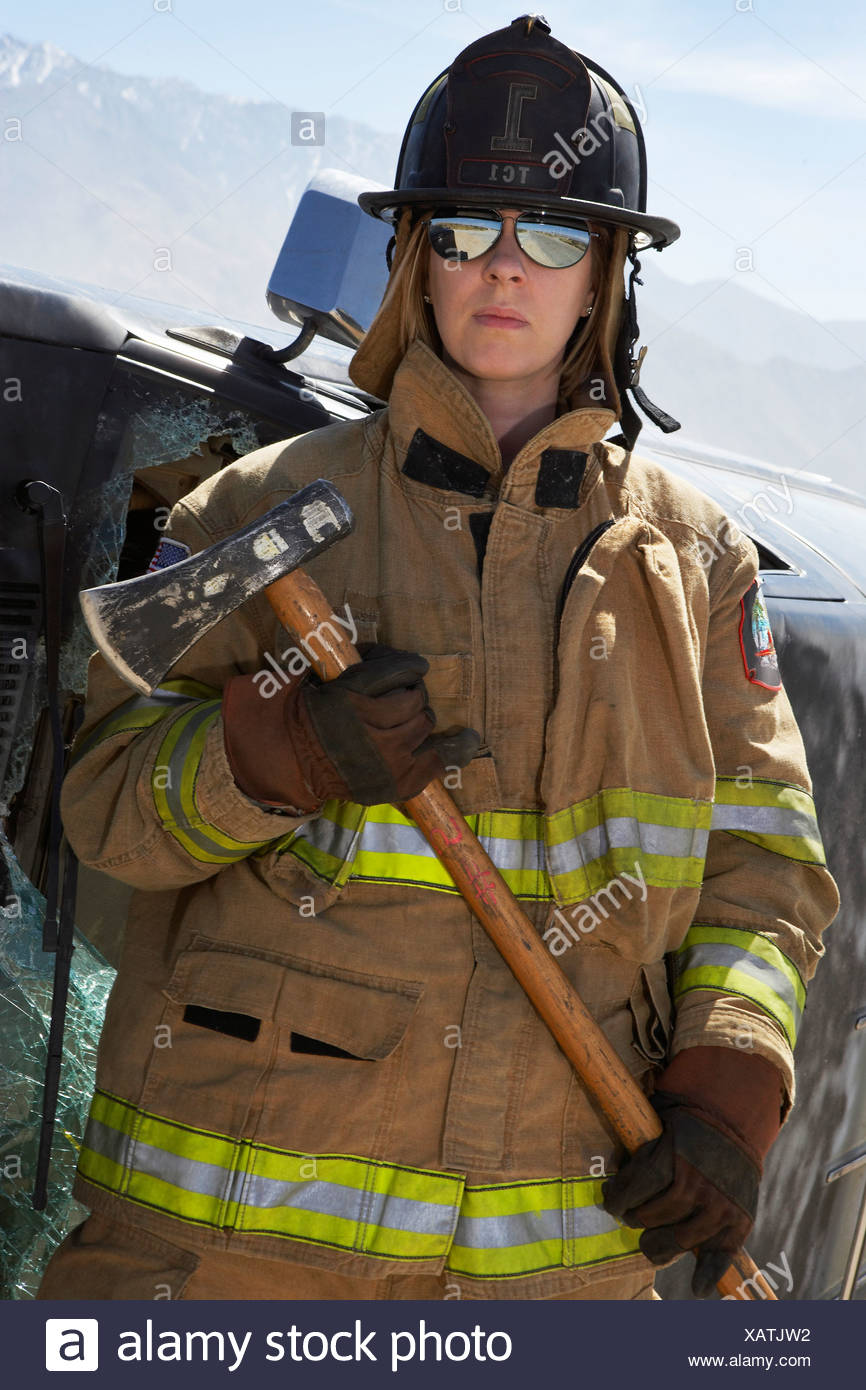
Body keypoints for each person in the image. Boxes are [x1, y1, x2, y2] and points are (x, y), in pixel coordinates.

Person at [38, 15, 839, 1302]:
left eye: (555, 234)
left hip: (559, 1291)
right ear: (417, 255)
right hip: (222, 1275)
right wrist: (279, 755)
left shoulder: (693, 564)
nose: (503, 269)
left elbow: (766, 870)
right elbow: (99, 819)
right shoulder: (244, 511)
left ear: (608, 274)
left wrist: (727, 1089)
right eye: (465, 231)